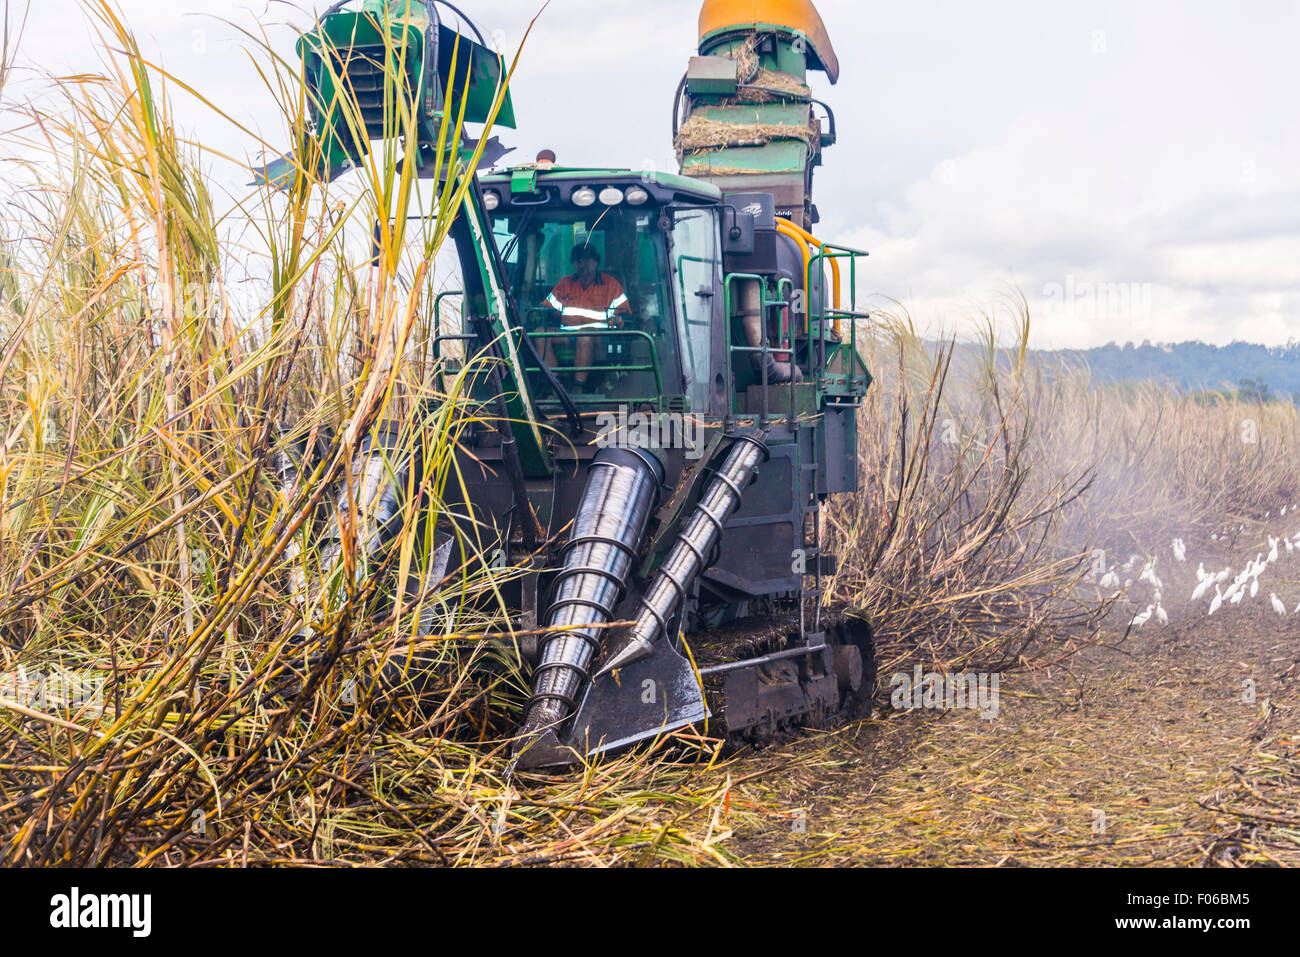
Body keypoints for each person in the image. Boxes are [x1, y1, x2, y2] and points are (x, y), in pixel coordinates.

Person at [542, 245, 631, 387]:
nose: (581, 264)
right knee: (540, 334)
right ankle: (554, 386)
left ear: (596, 262)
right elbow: (546, 311)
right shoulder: (565, 284)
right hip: (568, 333)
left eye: (586, 260)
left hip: (600, 337)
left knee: (584, 336)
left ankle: (578, 388)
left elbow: (622, 317)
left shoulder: (611, 286)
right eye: (577, 261)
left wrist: (616, 321)